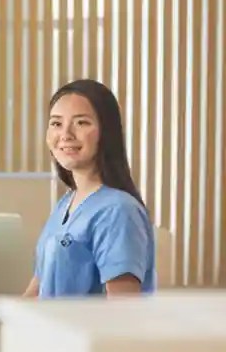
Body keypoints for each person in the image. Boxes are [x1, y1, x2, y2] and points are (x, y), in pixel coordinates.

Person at [23, 79, 156, 298]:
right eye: (56, 123)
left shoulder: (118, 211)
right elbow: (37, 289)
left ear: (106, 132)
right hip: (47, 322)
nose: (66, 134)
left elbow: (123, 309)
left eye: (81, 123)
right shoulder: (66, 204)